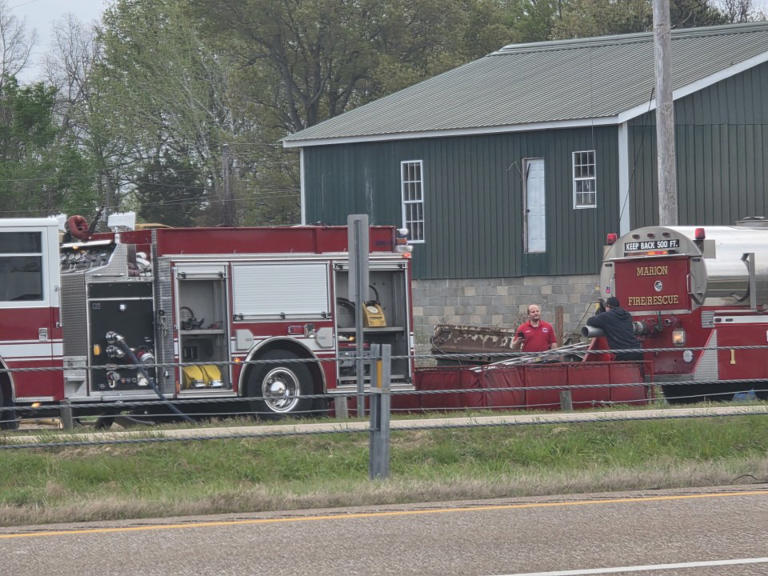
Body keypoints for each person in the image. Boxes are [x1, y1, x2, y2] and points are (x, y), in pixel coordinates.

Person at [585, 296, 643, 361]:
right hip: (638, 351)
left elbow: (589, 321)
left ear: (608, 306)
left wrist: (601, 311)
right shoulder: (627, 314)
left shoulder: (606, 316)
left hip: (623, 354)